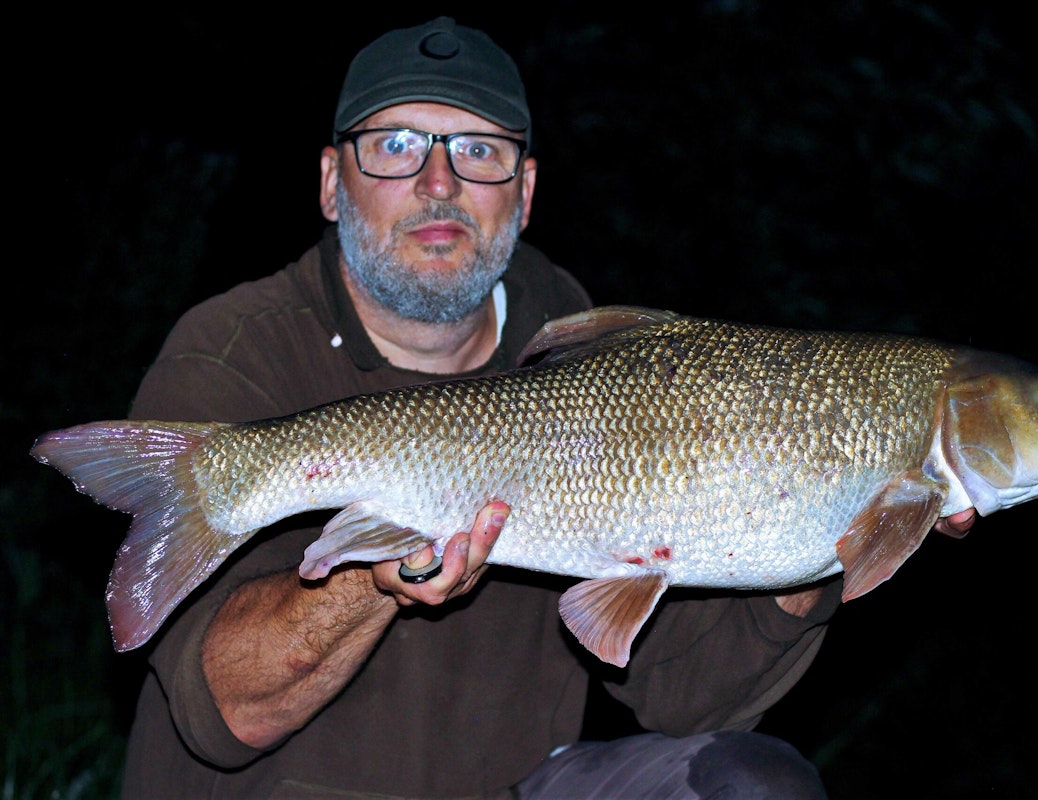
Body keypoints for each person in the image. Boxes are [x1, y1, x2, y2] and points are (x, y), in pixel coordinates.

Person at [117, 17, 976, 799]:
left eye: (479, 152)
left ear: (524, 192)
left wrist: (825, 549)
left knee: (749, 788)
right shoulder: (235, 347)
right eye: (396, 146)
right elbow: (228, 712)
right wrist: (375, 579)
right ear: (331, 182)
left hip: (514, 790)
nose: (439, 181)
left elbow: (681, 699)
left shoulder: (593, 357)